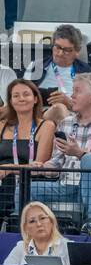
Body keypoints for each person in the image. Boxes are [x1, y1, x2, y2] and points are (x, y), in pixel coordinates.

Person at [33, 71, 91, 234]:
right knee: (27, 187)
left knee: (90, 159)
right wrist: (40, 167)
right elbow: (56, 164)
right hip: (69, 187)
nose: (72, 96)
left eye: (77, 91)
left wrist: (80, 153)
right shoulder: (66, 123)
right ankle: (20, 230)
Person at [0, 79, 55, 215]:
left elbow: (38, 165)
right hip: (1, 179)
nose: (21, 99)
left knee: (10, 180)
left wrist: (9, 169)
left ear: (35, 99)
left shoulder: (46, 126)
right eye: (16, 96)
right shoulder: (2, 125)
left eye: (26, 94)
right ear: (11, 101)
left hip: (27, 181)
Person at [25, 25, 91, 127]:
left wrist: (69, 103)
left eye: (67, 50)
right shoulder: (35, 67)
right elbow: (21, 95)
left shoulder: (88, 74)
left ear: (77, 52)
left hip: (74, 115)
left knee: (59, 108)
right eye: (57, 47)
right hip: (38, 112)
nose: (60, 53)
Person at [3, 201, 69, 265]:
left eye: (42, 218)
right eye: (32, 221)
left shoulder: (67, 247)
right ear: (26, 228)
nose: (39, 224)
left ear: (52, 221)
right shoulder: (20, 248)